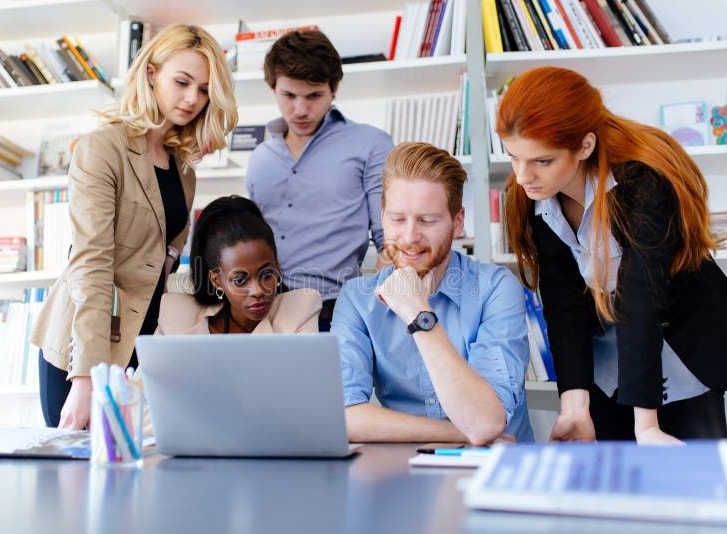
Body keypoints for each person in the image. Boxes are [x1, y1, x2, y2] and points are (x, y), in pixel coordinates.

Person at [497, 66, 727, 444]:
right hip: (607, 360)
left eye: (542, 161)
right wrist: (573, 406)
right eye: (513, 157)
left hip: (681, 345)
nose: (523, 177)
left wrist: (646, 426)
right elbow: (562, 301)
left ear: (584, 146)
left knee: (697, 483)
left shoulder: (643, 182)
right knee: (608, 482)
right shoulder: (535, 197)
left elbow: (642, 298)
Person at [31, 24, 238, 429]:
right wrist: (87, 377)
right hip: (83, 346)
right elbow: (92, 264)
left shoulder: (183, 169)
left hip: (142, 343)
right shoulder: (101, 149)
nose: (192, 99)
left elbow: (168, 247)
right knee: (75, 482)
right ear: (150, 73)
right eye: (181, 82)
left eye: (204, 89)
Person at [333, 142, 534, 445]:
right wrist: (457, 435)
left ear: (458, 222)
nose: (410, 238)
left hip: (495, 472)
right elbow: (343, 416)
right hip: (408, 465)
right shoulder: (357, 298)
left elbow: (483, 422)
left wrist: (418, 314)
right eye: (397, 219)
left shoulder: (496, 288)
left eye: (427, 220)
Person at [245, 30, 394, 332]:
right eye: (288, 96)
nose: (300, 110)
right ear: (272, 88)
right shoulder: (260, 157)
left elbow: (390, 242)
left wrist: (372, 312)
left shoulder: (371, 144)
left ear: (334, 88)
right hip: (260, 315)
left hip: (335, 313)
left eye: (313, 96)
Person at [155, 195, 322, 336]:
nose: (257, 290)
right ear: (216, 280)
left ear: (277, 267)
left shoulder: (300, 309)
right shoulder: (176, 316)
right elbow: (143, 375)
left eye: (266, 275)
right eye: (240, 280)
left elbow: (307, 373)